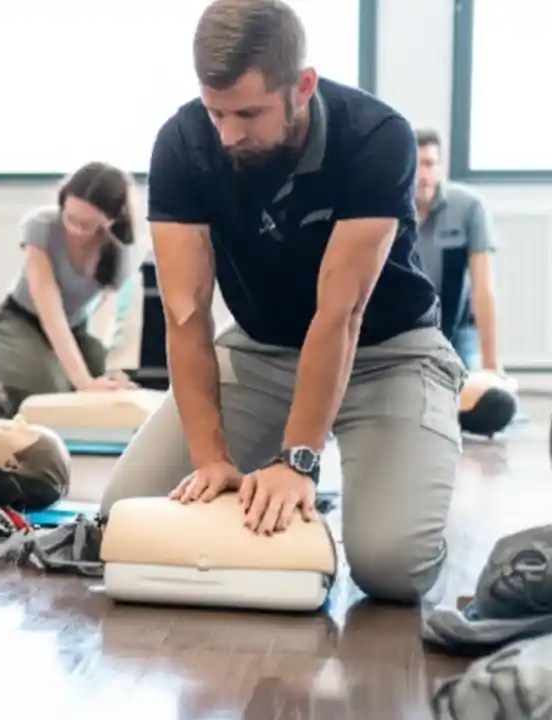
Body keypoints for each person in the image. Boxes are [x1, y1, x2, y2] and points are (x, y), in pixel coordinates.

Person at [98, 0, 465, 605]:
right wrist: (211, 458)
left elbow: (340, 315)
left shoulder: (376, 137)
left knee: (391, 568)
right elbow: (186, 317)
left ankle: (409, 483)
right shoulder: (184, 144)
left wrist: (298, 460)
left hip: (390, 354)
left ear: (303, 86)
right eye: (216, 111)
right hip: (263, 353)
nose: (229, 133)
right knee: (127, 516)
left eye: (249, 113)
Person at [0, 162, 143, 419]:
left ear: (110, 220)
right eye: (70, 218)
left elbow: (112, 317)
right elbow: (49, 307)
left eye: (87, 224)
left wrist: (112, 372)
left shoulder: (120, 252)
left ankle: (24, 383)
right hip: (20, 323)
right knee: (55, 394)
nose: (75, 230)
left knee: (104, 389)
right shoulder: (42, 225)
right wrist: (82, 381)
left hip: (75, 330)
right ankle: (0, 402)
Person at [413, 128, 502, 372]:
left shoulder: (470, 208)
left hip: (457, 330)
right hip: (406, 329)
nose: (423, 174)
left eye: (430, 164)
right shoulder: (389, 208)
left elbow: (483, 288)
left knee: (475, 394)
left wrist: (491, 365)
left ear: (441, 168)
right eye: (416, 164)